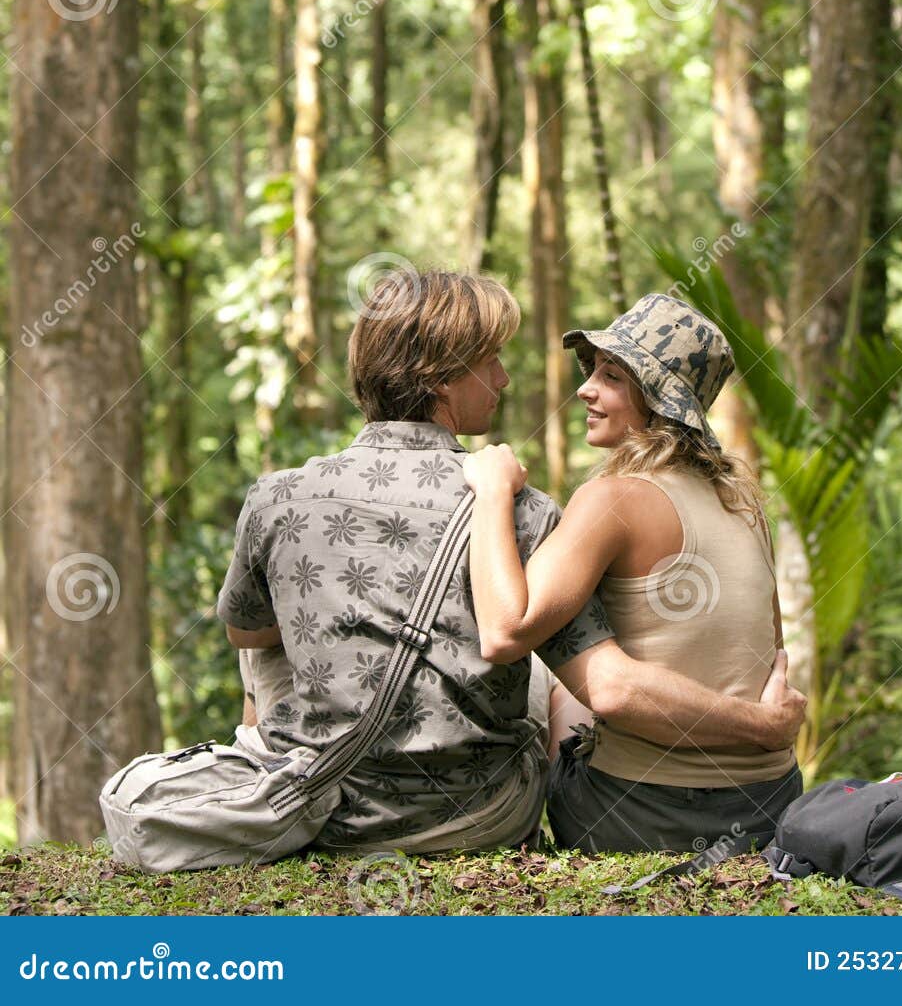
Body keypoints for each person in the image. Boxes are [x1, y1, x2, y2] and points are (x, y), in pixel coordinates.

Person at [217, 272, 805, 856]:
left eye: (610, 375)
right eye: (491, 360)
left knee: (260, 631)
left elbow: (248, 633)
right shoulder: (546, 509)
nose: (503, 377)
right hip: (487, 813)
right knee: (560, 649)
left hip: (331, 805)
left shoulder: (277, 495)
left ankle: (267, 783)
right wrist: (767, 726)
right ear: (440, 378)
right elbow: (591, 671)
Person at [462, 291, 805, 855]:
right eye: (592, 370)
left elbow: (504, 630)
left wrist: (494, 491)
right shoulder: (744, 503)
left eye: (612, 376)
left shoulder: (613, 497)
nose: (585, 390)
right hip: (770, 801)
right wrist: (764, 728)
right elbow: (764, 662)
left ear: (658, 401)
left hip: (647, 811)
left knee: (549, 674)